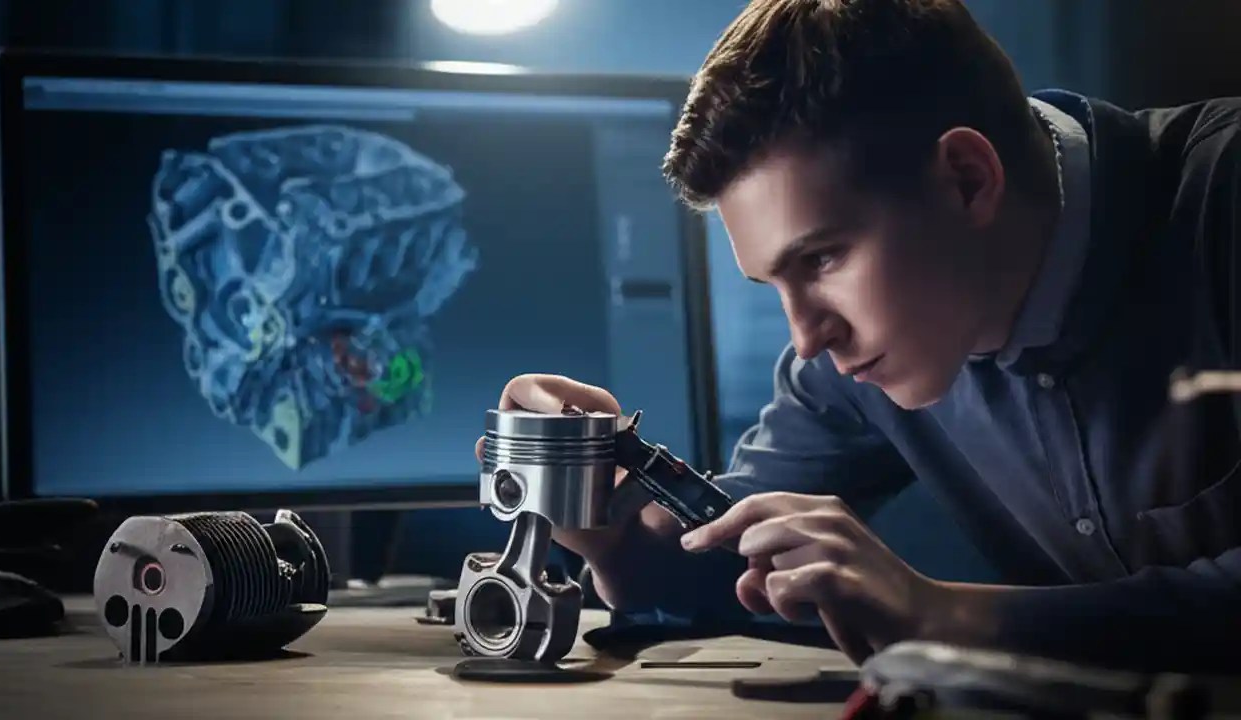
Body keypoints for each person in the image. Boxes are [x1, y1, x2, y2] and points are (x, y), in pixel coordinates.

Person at [477, 0, 1241, 672]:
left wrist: (944, 613)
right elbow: (725, 562)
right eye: (774, 284)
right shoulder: (856, 364)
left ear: (968, 178)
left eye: (823, 258)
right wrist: (599, 521)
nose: (807, 338)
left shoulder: (1223, 202)